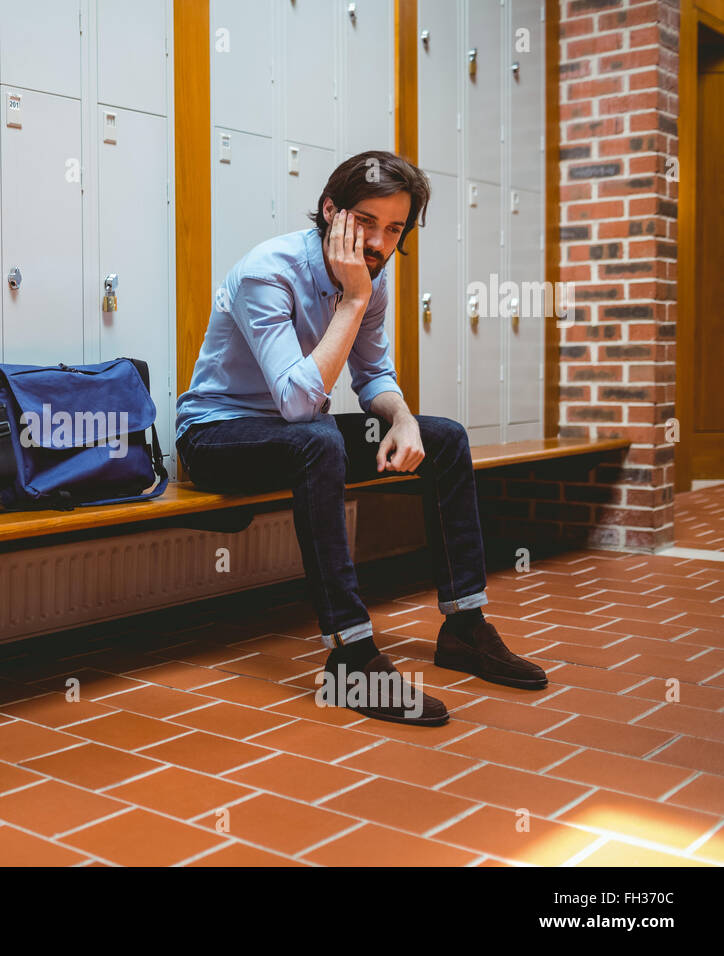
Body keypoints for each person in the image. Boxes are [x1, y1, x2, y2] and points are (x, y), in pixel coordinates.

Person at [175, 150, 547, 727]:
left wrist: (402, 418)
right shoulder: (267, 273)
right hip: (218, 437)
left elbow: (372, 375)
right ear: (331, 211)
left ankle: (465, 627)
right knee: (318, 439)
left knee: (442, 437)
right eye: (367, 223)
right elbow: (298, 403)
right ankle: (351, 657)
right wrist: (352, 297)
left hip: (299, 437)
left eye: (394, 230)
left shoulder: (372, 281)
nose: (378, 244)